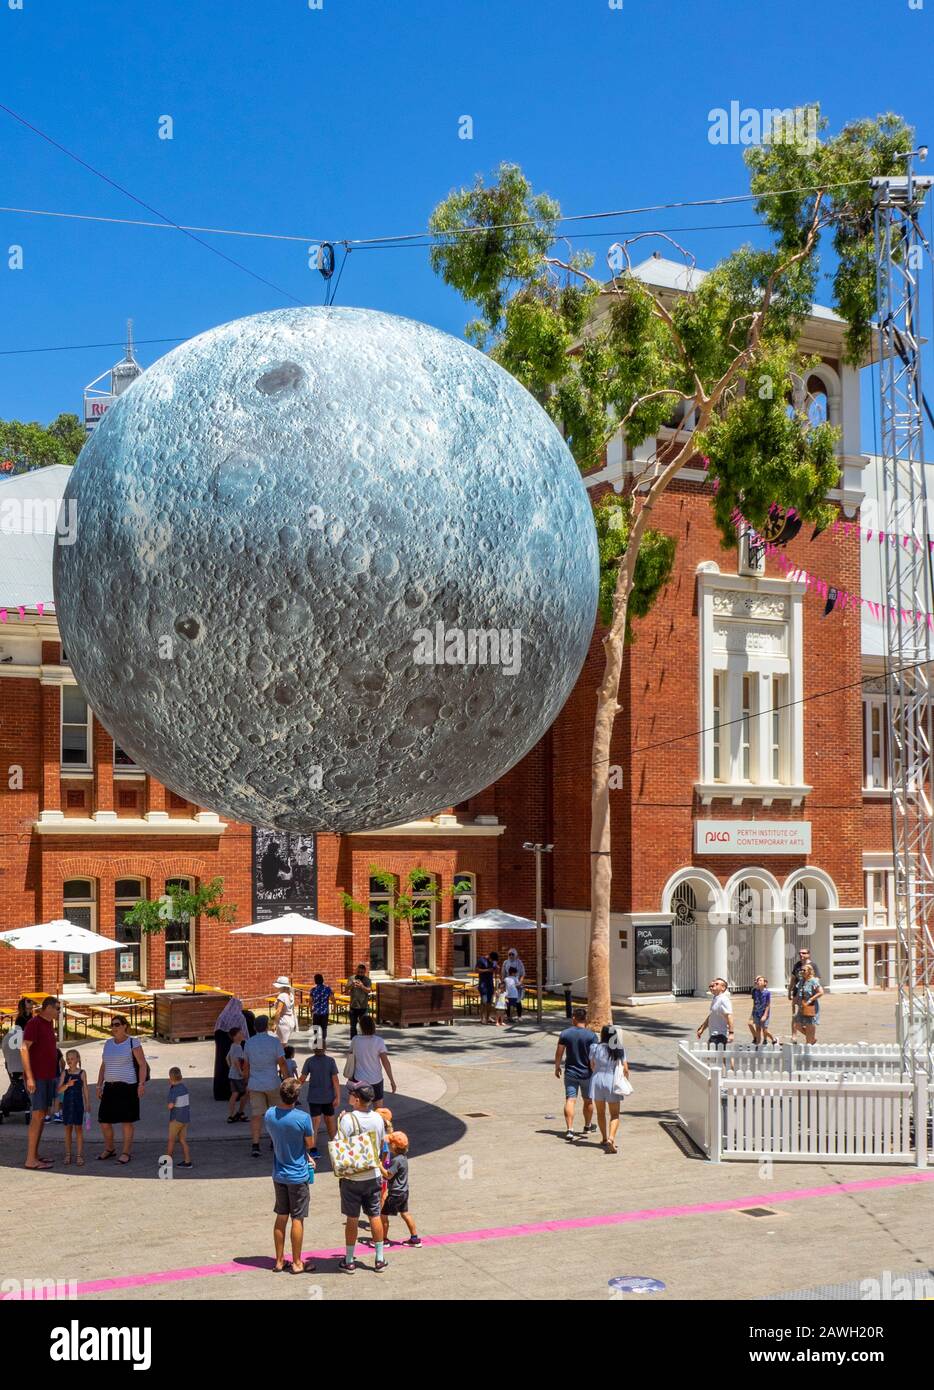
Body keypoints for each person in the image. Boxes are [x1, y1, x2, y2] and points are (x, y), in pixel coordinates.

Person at [265, 1077, 316, 1274]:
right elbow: (310, 1143)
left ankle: (279, 1261)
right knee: (298, 1218)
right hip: (298, 1174)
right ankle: (296, 1262)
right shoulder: (303, 1118)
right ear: (296, 1096)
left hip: (279, 1173)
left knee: (281, 1216)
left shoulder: (270, 1114)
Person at [336, 1084, 387, 1274]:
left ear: (357, 1099)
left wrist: (340, 1120)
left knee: (352, 1218)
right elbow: (382, 1144)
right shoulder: (378, 1118)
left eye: (351, 1093)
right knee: (374, 1215)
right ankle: (379, 1259)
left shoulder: (347, 1119)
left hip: (352, 1177)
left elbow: (337, 1144)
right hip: (373, 1174)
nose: (348, 1095)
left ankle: (349, 1260)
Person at [96, 1015, 147, 1164]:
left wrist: (141, 1084)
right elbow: (103, 1065)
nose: (114, 1028)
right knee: (104, 1121)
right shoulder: (108, 1044)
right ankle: (110, 1148)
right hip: (110, 1087)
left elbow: (142, 1064)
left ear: (125, 1026)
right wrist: (99, 1085)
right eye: (112, 1025)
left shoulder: (133, 1042)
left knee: (126, 1121)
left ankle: (126, 1152)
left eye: (117, 1024)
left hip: (128, 1087)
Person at [20, 997, 61, 1170]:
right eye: (57, 1008)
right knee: (37, 1116)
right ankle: (30, 1159)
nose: (60, 1011)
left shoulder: (49, 1023)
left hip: (48, 1076)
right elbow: (23, 1048)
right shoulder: (34, 1023)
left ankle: (35, 1155)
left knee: (42, 1115)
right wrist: (29, 1077)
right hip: (37, 1078)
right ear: (48, 1008)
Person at [243, 1015, 288, 1158]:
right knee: (276, 1114)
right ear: (267, 1027)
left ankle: (255, 1145)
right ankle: (274, 1141)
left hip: (255, 1083)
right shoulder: (274, 1042)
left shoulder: (249, 1043)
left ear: (255, 1028)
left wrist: (246, 1081)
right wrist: (287, 1080)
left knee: (257, 1115)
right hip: (272, 1082)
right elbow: (282, 1063)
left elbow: (246, 1066)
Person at [555, 1007, 598, 1141]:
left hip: (570, 1073)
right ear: (585, 1019)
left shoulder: (565, 1034)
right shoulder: (592, 1036)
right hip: (587, 1073)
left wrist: (557, 1066)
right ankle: (587, 1125)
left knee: (570, 1100)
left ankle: (570, 1129)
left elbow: (559, 1052)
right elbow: (593, 1057)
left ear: (574, 1018)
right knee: (588, 1100)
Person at [588, 1024, 630, 1154]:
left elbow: (592, 1065)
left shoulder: (595, 1048)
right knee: (615, 1114)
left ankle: (604, 1138)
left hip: (597, 1081)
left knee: (600, 1113)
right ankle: (612, 1138)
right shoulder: (619, 1049)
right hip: (611, 1081)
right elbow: (626, 1069)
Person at [299, 1026, 340, 1154]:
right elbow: (335, 1080)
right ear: (325, 1047)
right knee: (330, 1121)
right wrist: (337, 1096)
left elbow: (302, 1078)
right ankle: (335, 1145)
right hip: (328, 1096)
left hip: (314, 1097)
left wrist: (295, 1088)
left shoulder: (309, 1061)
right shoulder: (330, 1061)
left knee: (315, 1123)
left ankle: (313, 1148)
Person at [382, 1130, 421, 1247]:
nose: (388, 1146)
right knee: (405, 1213)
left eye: (389, 1144)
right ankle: (415, 1239)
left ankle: (383, 1239)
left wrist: (379, 1165)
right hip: (404, 1191)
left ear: (393, 1146)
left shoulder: (396, 1160)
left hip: (395, 1193)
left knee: (383, 1216)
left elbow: (388, 1175)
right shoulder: (403, 1158)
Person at [346, 1015, 397, 1103]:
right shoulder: (379, 1041)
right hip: (376, 1079)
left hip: (359, 1079)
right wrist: (392, 1080)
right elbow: (386, 1062)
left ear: (361, 1027)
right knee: (378, 1108)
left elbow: (350, 1055)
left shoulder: (355, 1040)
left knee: (359, 1107)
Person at [213, 996, 249, 1102]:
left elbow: (216, 1031)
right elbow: (245, 1033)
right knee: (236, 1067)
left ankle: (221, 1093)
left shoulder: (222, 1016)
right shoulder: (240, 1017)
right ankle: (236, 1092)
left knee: (221, 1066)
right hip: (236, 1044)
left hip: (222, 1046)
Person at [57, 1048, 88, 1165]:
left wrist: (88, 1104)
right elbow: (59, 1090)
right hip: (67, 1105)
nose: (70, 1061)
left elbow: (85, 1089)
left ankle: (79, 1155)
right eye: (68, 1059)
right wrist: (67, 1085)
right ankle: (68, 1154)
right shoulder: (64, 1073)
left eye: (72, 1059)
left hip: (78, 1105)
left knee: (79, 1129)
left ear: (77, 1059)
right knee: (68, 1130)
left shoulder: (82, 1073)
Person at [787, 948, 819, 1041]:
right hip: (797, 993)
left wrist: (812, 995)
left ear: (808, 954)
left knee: (808, 1017)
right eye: (800, 953)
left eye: (804, 953)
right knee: (794, 1015)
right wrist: (789, 990)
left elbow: (816, 980)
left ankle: (810, 1038)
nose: (801, 954)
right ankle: (794, 1036)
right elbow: (793, 978)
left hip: (808, 995)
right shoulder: (797, 965)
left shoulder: (813, 965)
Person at [696, 978, 734, 1049]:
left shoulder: (724, 999)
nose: (713, 985)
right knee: (722, 1057)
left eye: (717, 984)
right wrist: (702, 1029)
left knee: (720, 1056)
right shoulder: (715, 998)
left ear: (723, 988)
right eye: (713, 984)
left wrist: (731, 1033)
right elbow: (711, 1015)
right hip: (714, 1034)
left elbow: (729, 1016)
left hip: (720, 1035)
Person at [166, 1067, 192, 1168]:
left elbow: (170, 1106)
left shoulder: (174, 1090)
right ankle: (187, 1161)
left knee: (171, 1140)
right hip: (185, 1119)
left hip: (176, 1119)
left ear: (170, 1078)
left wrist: (168, 1104)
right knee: (182, 1140)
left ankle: (167, 1161)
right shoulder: (184, 1088)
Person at [793, 962, 824, 1045]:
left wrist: (811, 999)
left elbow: (821, 992)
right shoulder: (801, 981)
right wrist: (795, 1001)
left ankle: (809, 1042)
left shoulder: (813, 981)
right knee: (797, 1025)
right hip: (802, 1006)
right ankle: (811, 1038)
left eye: (804, 970)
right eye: (801, 970)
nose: (802, 971)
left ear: (809, 971)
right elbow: (798, 992)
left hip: (810, 1006)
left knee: (809, 1025)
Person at [226, 1026, 249, 1123]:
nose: (242, 1034)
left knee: (238, 1094)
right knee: (241, 1093)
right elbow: (236, 1060)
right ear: (235, 1036)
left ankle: (235, 1114)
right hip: (237, 1075)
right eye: (239, 1033)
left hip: (233, 1074)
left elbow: (227, 1058)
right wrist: (240, 1072)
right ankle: (236, 1114)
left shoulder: (233, 1046)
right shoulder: (238, 1047)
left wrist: (231, 1068)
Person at [749, 975, 776, 1045]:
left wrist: (765, 1015)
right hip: (756, 1013)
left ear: (765, 983)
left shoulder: (767, 993)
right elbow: (754, 1003)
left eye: (761, 980)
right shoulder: (755, 991)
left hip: (764, 1013)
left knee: (764, 1029)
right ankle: (758, 1042)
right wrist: (753, 1013)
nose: (759, 981)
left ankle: (771, 1039)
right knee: (758, 1028)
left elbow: (768, 1004)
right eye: (758, 980)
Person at [348, 964, 372, 1040]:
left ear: (364, 972)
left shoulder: (367, 980)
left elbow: (368, 990)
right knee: (353, 1026)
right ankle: (353, 1041)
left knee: (364, 1026)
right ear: (356, 971)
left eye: (362, 972)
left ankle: (364, 1040)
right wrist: (352, 984)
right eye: (358, 972)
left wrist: (362, 986)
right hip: (353, 1006)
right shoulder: (351, 978)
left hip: (363, 1007)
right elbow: (346, 989)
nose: (360, 974)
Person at [271, 977, 296, 1047]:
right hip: (290, 1019)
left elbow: (279, 1010)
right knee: (284, 1043)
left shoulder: (282, 995)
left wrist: (274, 1024)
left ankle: (284, 1057)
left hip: (283, 1021)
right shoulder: (290, 994)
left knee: (282, 1045)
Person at [310, 973, 333, 1044]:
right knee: (324, 1028)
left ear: (315, 981)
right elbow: (333, 999)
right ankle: (323, 1041)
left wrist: (311, 1009)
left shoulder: (313, 990)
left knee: (316, 1027)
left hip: (316, 1011)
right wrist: (334, 1008)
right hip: (324, 1011)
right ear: (322, 980)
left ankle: (316, 1040)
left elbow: (311, 1001)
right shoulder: (327, 989)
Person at [476, 951, 498, 1025]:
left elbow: (495, 970)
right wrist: (487, 970)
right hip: (483, 983)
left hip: (490, 984)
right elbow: (477, 970)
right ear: (489, 957)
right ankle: (482, 1018)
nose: (492, 962)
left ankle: (488, 1017)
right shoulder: (481, 960)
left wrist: (496, 969)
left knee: (490, 1002)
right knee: (484, 1001)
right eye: (492, 960)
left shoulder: (494, 961)